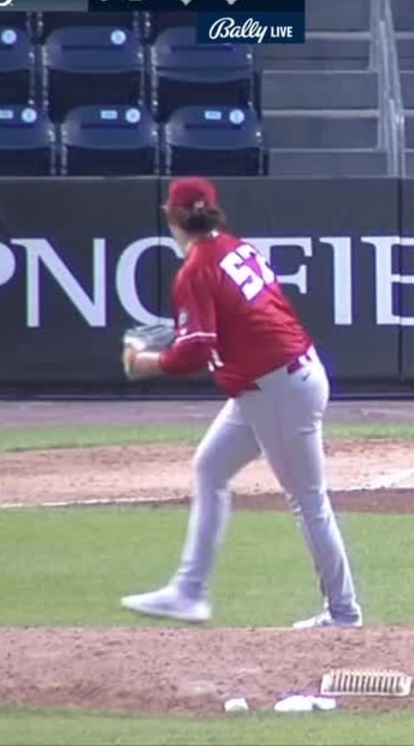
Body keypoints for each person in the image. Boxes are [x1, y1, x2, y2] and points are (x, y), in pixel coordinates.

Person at [119, 176, 363, 629]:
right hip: (276, 380)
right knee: (210, 467)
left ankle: (344, 613)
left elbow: (195, 350)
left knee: (308, 501)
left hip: (277, 387)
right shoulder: (234, 247)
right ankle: (189, 591)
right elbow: (232, 325)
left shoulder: (194, 270)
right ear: (212, 212)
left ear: (172, 218)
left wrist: (146, 362)